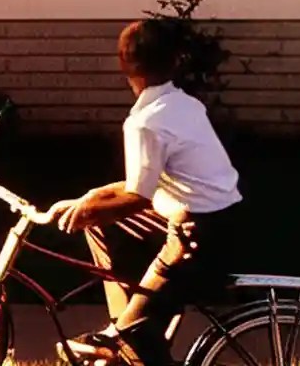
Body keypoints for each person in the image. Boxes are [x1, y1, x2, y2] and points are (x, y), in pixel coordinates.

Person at [49, 19, 243, 366]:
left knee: (136, 332)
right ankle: (120, 327)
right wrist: (89, 201)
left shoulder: (145, 123)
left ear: (124, 65)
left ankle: (127, 334)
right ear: (174, 62)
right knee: (101, 227)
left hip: (196, 235)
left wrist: (88, 212)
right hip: (222, 221)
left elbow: (137, 197)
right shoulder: (184, 105)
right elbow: (143, 183)